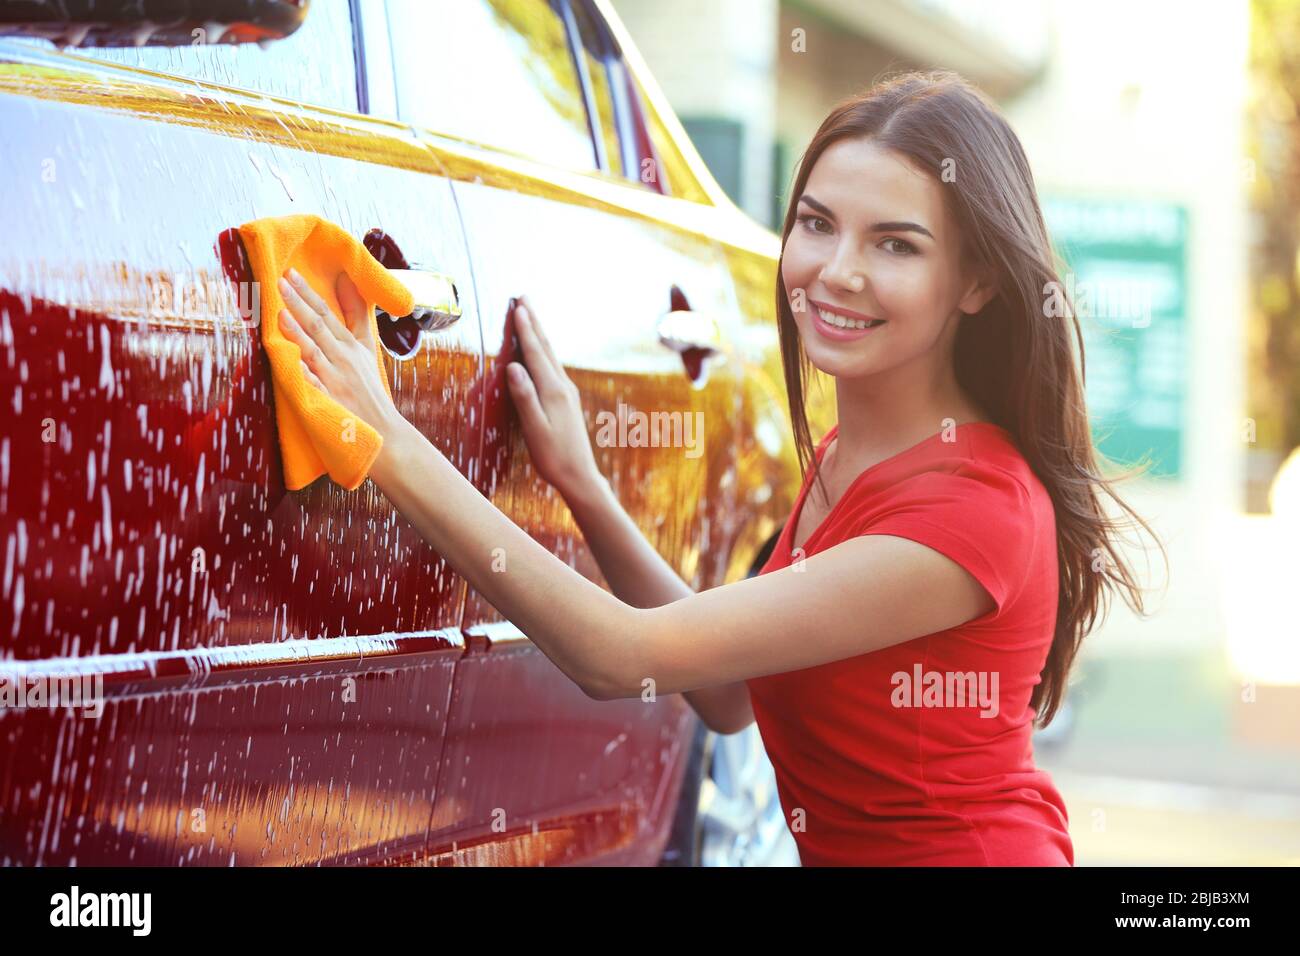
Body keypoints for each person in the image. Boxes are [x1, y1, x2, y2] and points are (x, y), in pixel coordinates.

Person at [274, 70, 1165, 866]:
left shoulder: (974, 510)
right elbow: (729, 697)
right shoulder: (852, 459)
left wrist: (384, 439)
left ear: (976, 283)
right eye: (816, 225)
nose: (836, 272)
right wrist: (584, 486)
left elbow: (621, 660)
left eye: (896, 244)